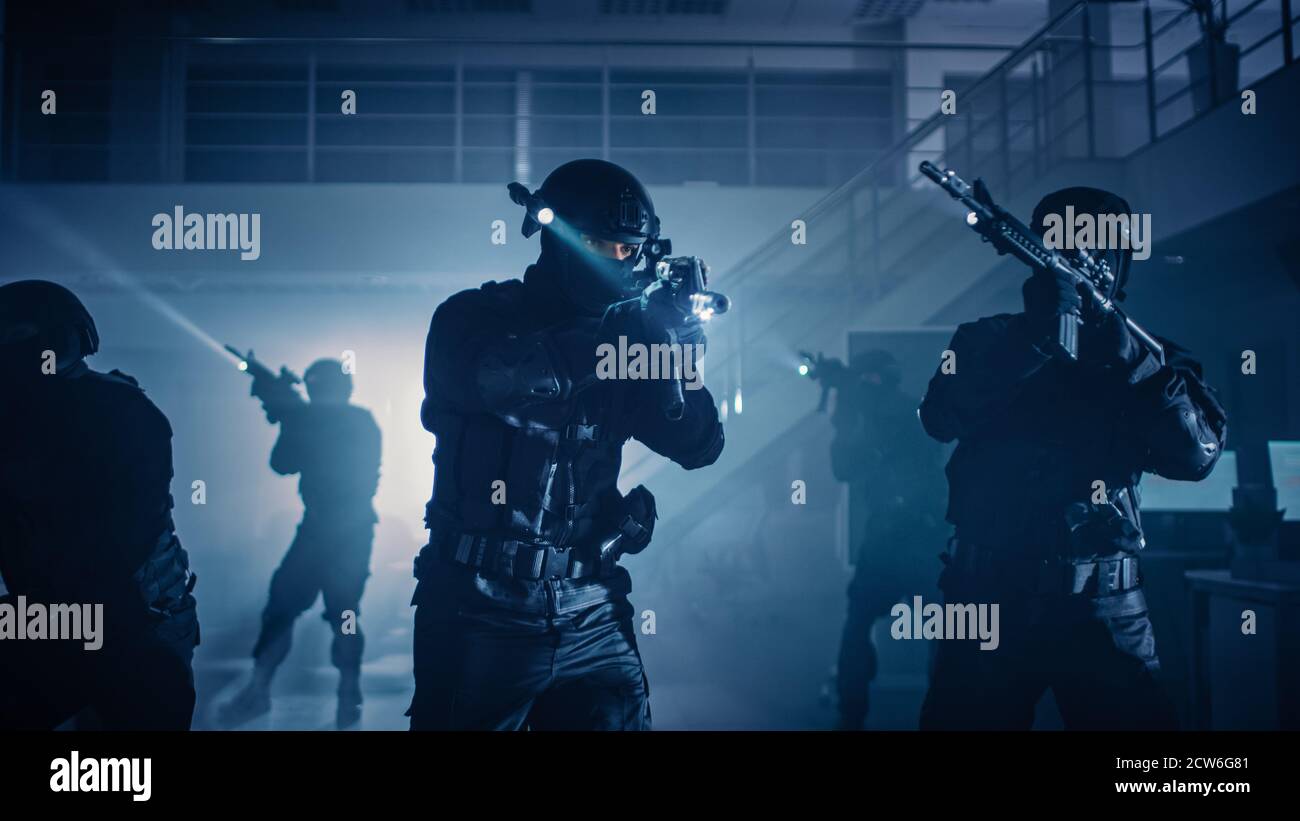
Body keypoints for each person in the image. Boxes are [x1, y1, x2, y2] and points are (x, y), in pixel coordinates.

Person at [408, 158, 724, 730]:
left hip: (592, 603)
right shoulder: (472, 316)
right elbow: (499, 383)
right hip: (481, 606)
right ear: (556, 239)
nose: (620, 261)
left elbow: (699, 445)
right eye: (604, 245)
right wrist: (612, 339)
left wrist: (678, 352)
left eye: (631, 249)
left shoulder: (632, 338)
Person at [916, 187, 1228, 730]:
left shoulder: (1153, 357)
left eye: (1103, 248)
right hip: (987, 595)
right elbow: (940, 417)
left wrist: (1132, 365)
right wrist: (1031, 339)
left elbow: (1195, 456)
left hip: (1105, 605)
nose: (1091, 261)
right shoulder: (985, 339)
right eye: (1071, 245)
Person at [0, 280, 199, 730]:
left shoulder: (119, 411)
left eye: (16, 338)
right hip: (57, 613)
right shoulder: (17, 417)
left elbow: (118, 542)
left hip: (132, 619)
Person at [218, 358, 381, 729]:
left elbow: (283, 463)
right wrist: (293, 416)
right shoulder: (353, 421)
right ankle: (336, 696)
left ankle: (339, 694)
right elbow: (284, 462)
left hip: (336, 531)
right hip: (339, 531)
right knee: (325, 612)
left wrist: (293, 415)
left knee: (332, 614)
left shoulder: (348, 421)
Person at [825, 350, 947, 730]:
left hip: (915, 537)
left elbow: (852, 462)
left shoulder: (907, 415)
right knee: (866, 625)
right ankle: (853, 713)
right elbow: (844, 468)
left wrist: (849, 404)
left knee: (935, 631)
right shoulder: (894, 414)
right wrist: (846, 410)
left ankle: (853, 714)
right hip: (904, 540)